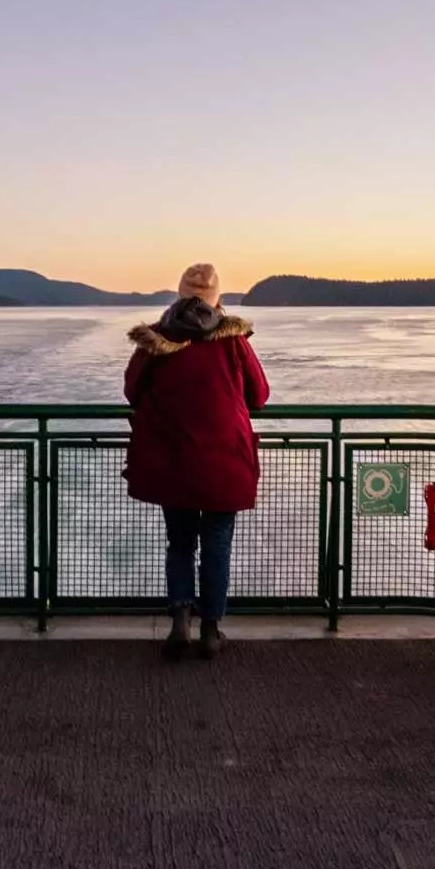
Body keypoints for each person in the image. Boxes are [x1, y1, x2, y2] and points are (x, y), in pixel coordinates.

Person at [124, 263, 269, 660]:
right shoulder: (234, 339)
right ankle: (211, 629)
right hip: (225, 461)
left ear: (178, 294)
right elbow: (259, 395)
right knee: (218, 545)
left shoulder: (156, 339)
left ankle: (179, 625)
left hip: (173, 460)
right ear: (217, 299)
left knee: (181, 543)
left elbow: (132, 389)